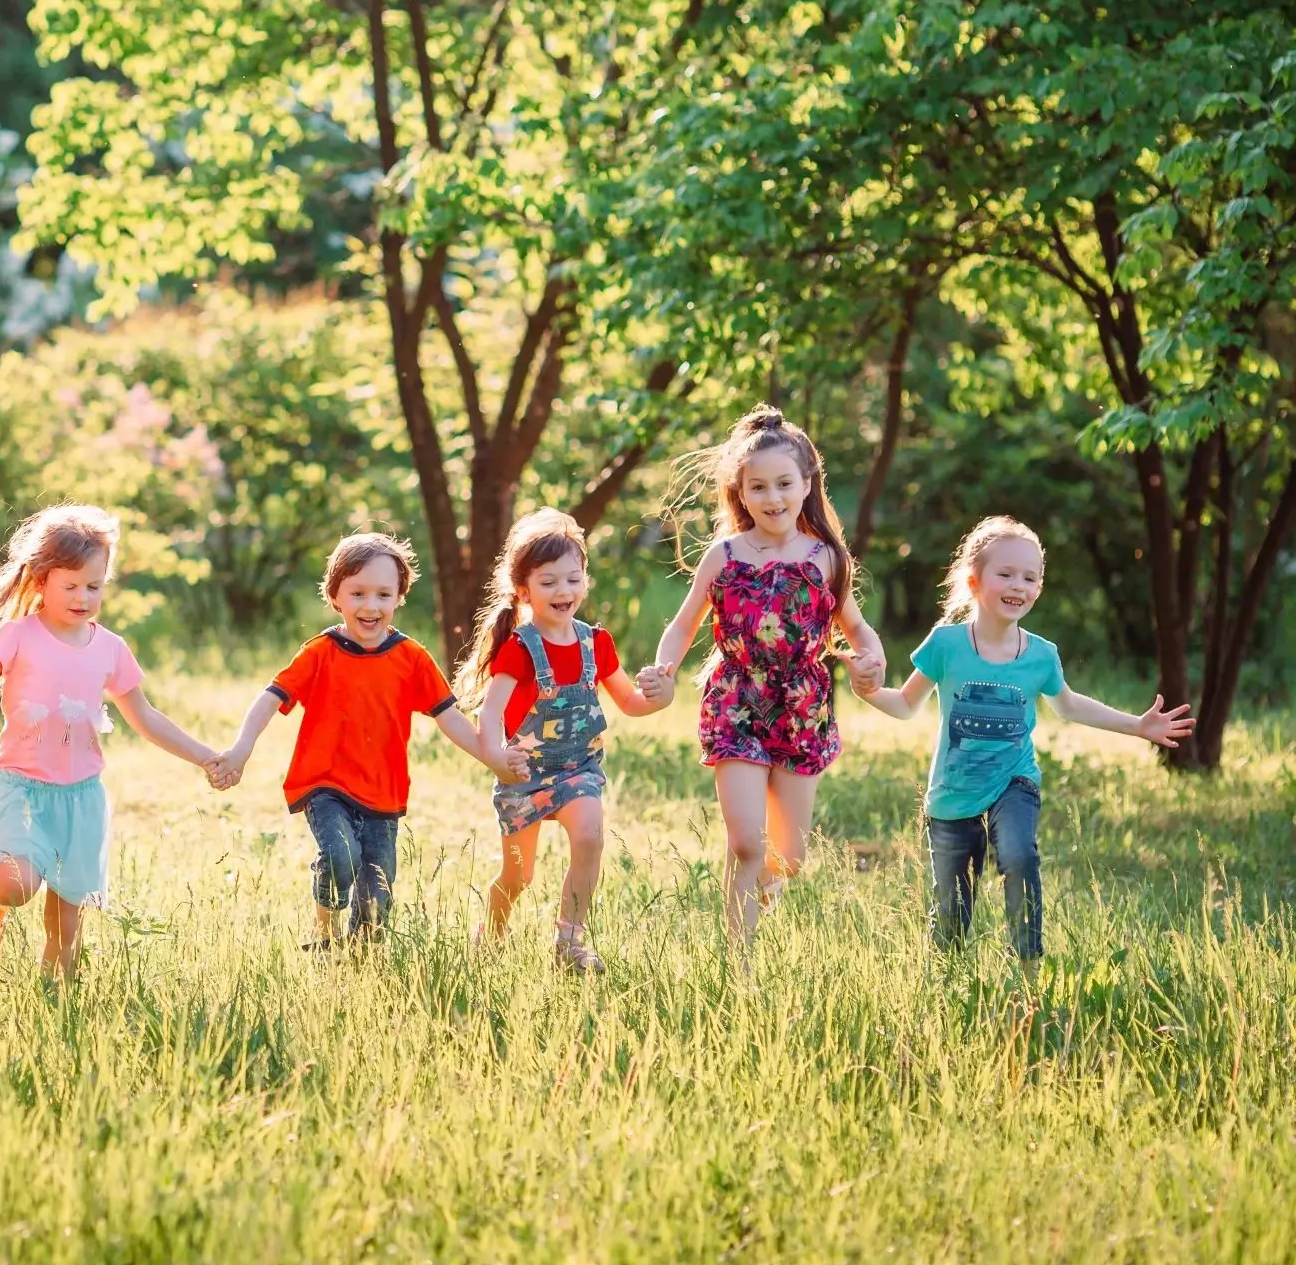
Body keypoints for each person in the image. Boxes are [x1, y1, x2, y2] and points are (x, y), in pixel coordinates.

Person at [857, 516, 1191, 966]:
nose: (1020, 585)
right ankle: (947, 982)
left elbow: (1069, 705)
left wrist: (1138, 725)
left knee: (1018, 855)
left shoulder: (1040, 655)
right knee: (952, 913)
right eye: (1007, 574)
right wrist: (867, 691)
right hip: (952, 794)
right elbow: (905, 704)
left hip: (1014, 780)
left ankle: (1028, 967)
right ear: (975, 582)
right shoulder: (946, 644)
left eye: (1031, 577)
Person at [0, 504, 228, 979]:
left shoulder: (110, 648)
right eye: (70, 585)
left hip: (80, 797)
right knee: (16, 884)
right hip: (21, 789)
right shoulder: (19, 635)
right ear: (40, 582)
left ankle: (57, 999)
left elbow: (145, 714)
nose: (83, 597)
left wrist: (204, 757)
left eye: (93, 586)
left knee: (66, 920)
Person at [648, 406, 888, 955]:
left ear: (807, 484)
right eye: (759, 487)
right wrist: (663, 670)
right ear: (741, 491)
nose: (773, 497)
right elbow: (682, 627)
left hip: (803, 706)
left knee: (789, 859)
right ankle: (741, 965)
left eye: (784, 484)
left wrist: (869, 661)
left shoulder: (825, 559)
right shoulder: (724, 555)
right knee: (745, 844)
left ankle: (762, 906)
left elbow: (857, 629)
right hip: (736, 700)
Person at [212, 532, 496, 946]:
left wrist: (494, 758)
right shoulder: (320, 652)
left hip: (384, 790)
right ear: (335, 595)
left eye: (383, 593)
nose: (370, 605)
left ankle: (360, 963)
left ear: (400, 597)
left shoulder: (411, 658)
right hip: (325, 783)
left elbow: (449, 718)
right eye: (358, 593)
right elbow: (270, 698)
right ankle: (324, 932)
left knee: (376, 899)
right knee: (340, 857)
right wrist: (241, 749)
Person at [458, 509, 675, 973]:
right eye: (549, 582)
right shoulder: (519, 648)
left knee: (591, 836)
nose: (564, 592)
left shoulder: (596, 643)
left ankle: (569, 939)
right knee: (519, 875)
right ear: (524, 590)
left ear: (586, 581)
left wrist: (660, 697)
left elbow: (631, 703)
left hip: (579, 771)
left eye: (573, 579)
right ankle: (492, 931)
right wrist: (497, 757)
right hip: (522, 775)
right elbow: (490, 712)